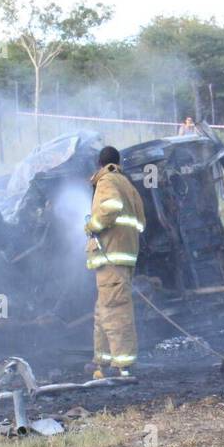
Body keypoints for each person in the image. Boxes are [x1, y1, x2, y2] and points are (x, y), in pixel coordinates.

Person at [86, 146, 147, 379]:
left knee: (115, 309)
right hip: (122, 255)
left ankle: (122, 365)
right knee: (103, 309)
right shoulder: (127, 184)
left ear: (99, 164)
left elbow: (110, 209)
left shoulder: (107, 181)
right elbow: (141, 222)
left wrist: (92, 226)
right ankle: (101, 360)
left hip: (112, 256)